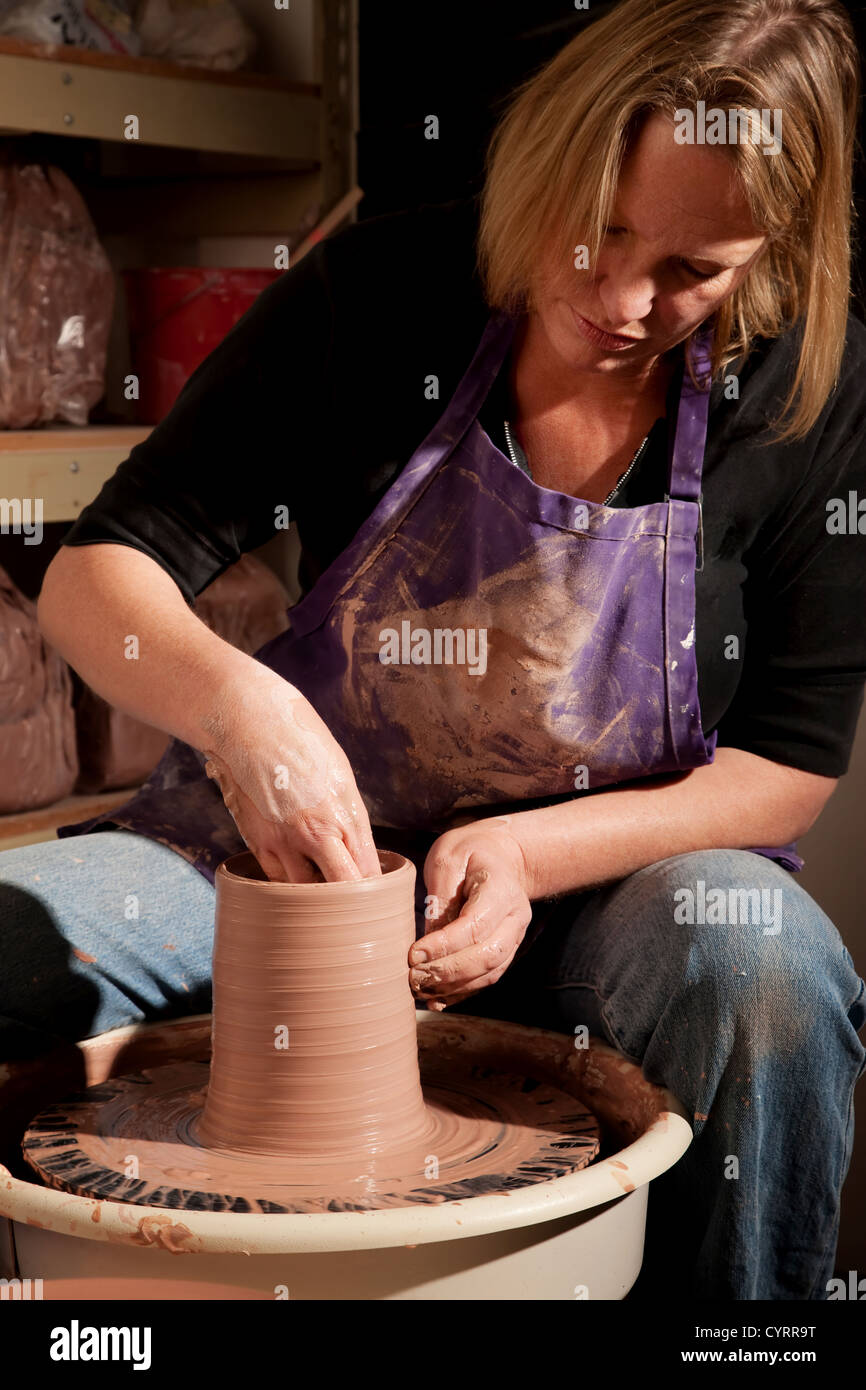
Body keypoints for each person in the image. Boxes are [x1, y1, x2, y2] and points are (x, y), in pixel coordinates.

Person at [3, 0, 865, 1299]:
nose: (624, 301)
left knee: (760, 964)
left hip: (602, 901)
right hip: (272, 869)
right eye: (601, 231)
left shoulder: (802, 385)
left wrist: (524, 850)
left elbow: (785, 768)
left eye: (693, 269)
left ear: (775, 249)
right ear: (544, 165)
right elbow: (92, 577)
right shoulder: (389, 292)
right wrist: (246, 719)